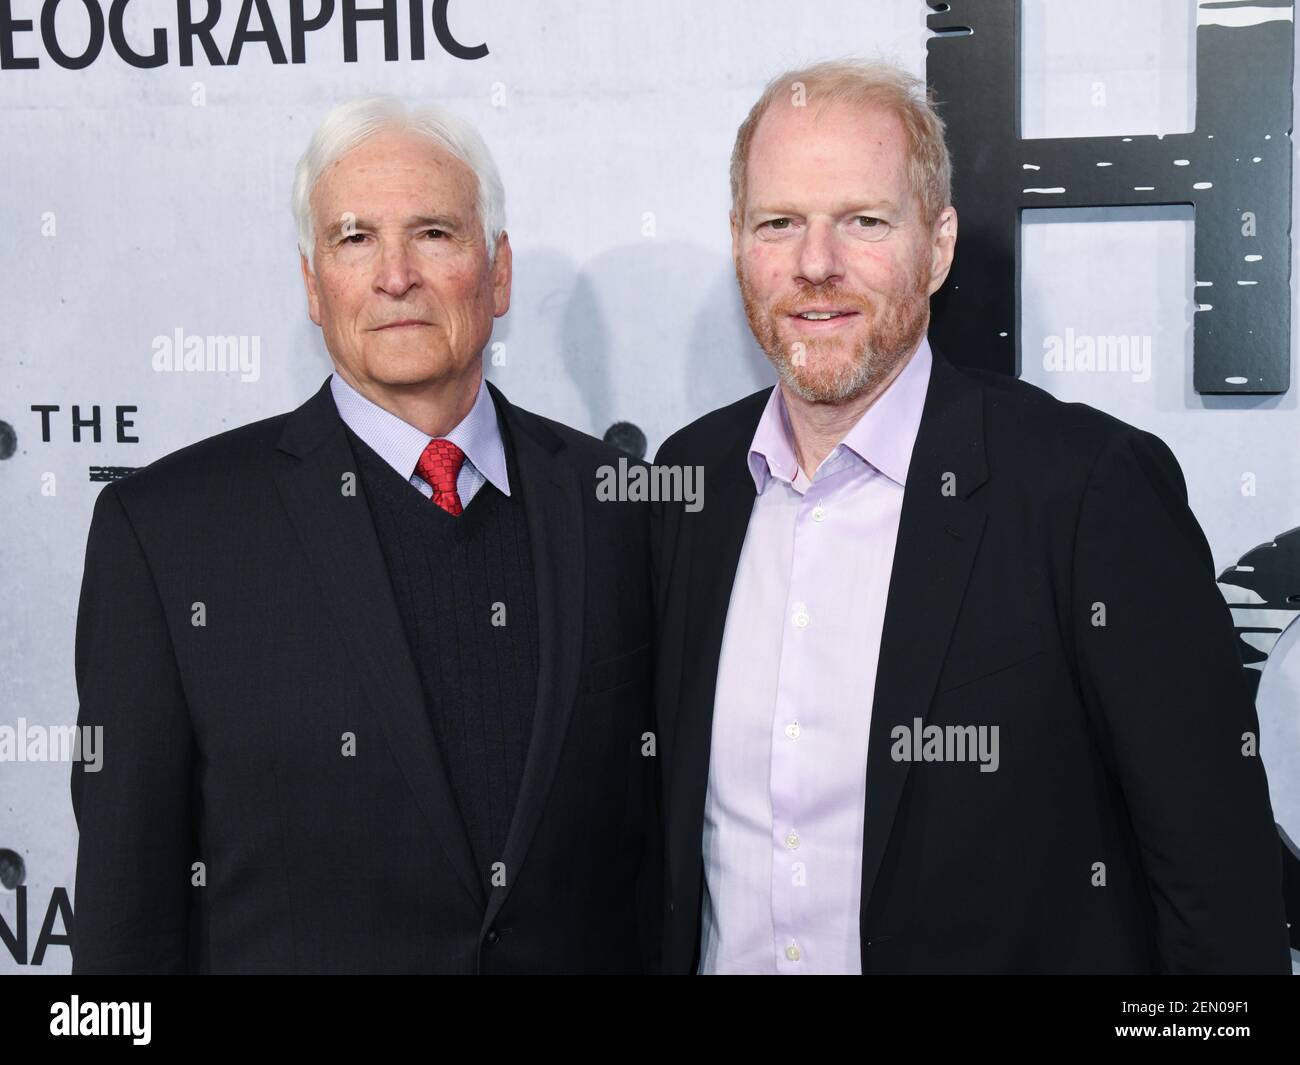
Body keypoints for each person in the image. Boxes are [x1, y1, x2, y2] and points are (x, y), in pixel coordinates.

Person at [651, 59, 1289, 974]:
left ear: (939, 244)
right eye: (779, 222)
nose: (815, 262)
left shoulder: (1088, 492)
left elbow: (1217, 892)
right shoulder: (687, 485)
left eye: (864, 221)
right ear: (738, 240)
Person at [71, 94, 658, 974]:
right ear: (313, 285)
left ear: (497, 273)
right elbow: (126, 924)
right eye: (354, 239)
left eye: (432, 233)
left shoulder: (624, 507)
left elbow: (654, 871)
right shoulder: (167, 535)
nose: (395, 276)